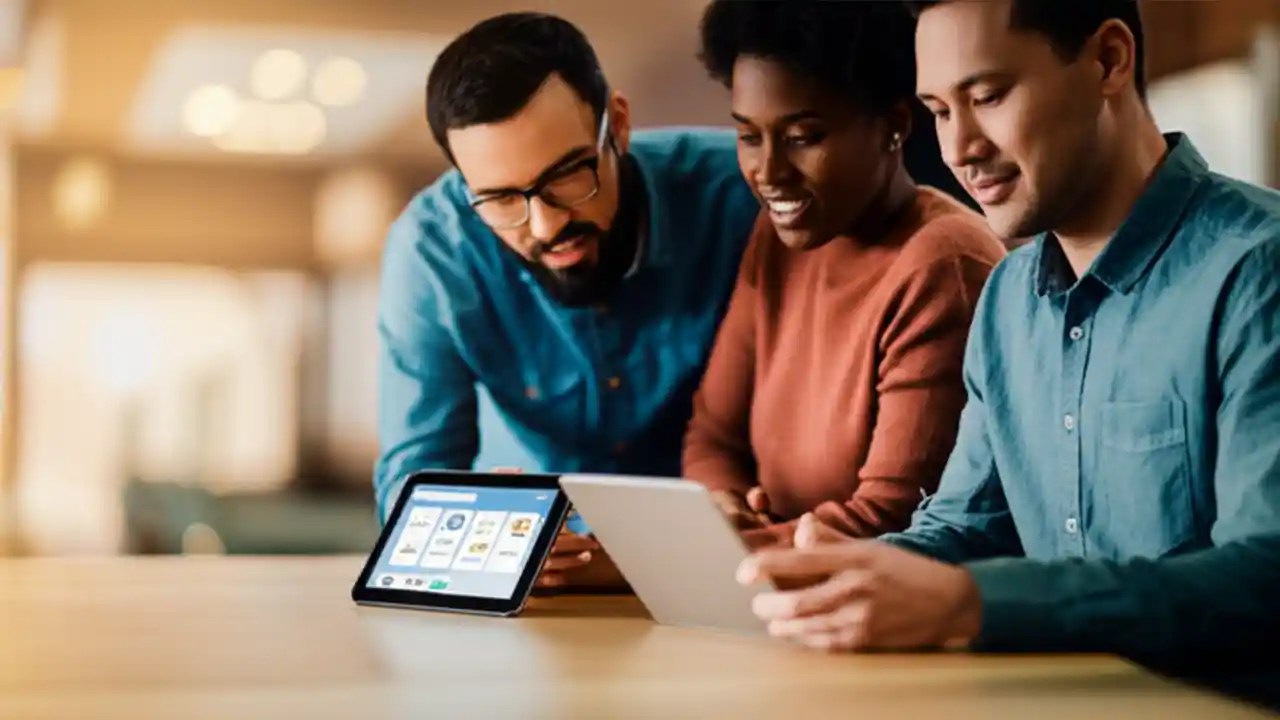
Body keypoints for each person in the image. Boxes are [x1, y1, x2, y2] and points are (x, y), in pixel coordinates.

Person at [737, 0, 1280, 672]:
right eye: (938, 111)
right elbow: (970, 526)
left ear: (1109, 60)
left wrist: (974, 603)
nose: (959, 148)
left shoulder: (1259, 271)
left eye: (988, 96)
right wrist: (856, 570)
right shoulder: (1008, 298)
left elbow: (1264, 577)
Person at [376, 13, 758, 588]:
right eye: (501, 199)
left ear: (619, 126)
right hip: (538, 579)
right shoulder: (433, 251)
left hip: (714, 568)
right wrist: (488, 540)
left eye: (568, 176)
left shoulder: (741, 193)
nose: (547, 224)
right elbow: (413, 480)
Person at [684, 0, 1005, 548]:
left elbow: (891, 520)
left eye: (803, 137)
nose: (768, 172)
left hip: (878, 607)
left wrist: (710, 551)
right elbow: (711, 438)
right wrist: (725, 507)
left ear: (895, 126)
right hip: (776, 583)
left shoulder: (943, 264)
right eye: (748, 136)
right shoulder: (780, 237)